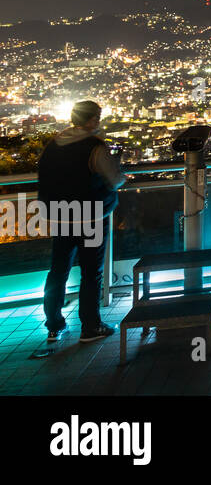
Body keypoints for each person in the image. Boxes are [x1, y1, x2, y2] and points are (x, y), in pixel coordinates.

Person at [37, 100, 126, 343]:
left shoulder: (53, 145)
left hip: (60, 216)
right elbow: (115, 179)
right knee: (91, 271)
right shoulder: (94, 147)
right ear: (93, 119)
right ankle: (90, 326)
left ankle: (54, 324)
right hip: (90, 216)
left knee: (58, 270)